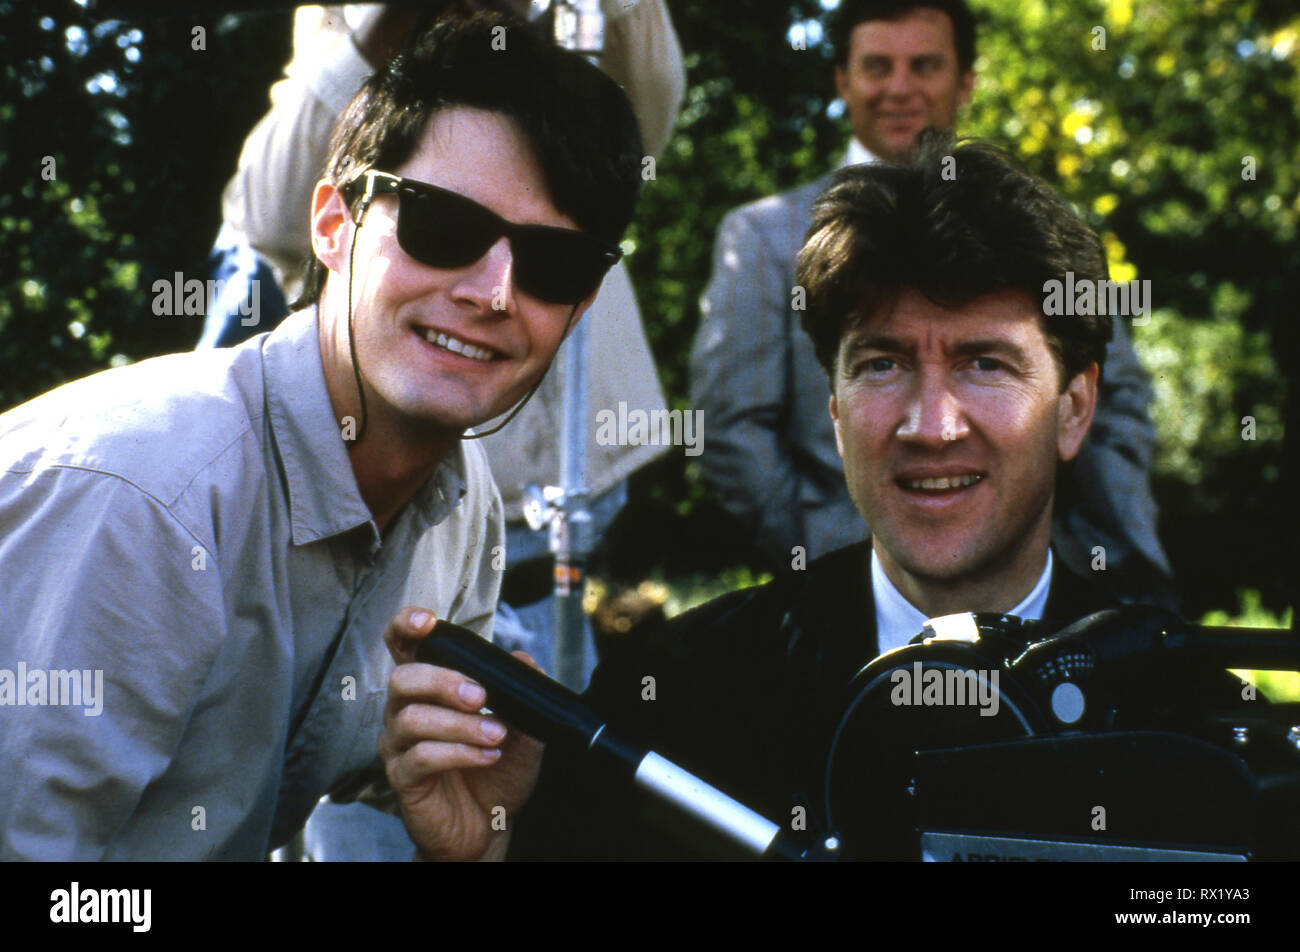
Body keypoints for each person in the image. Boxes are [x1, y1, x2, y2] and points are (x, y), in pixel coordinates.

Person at [379, 133, 1135, 861]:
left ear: (1073, 409)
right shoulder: (669, 703)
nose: (930, 427)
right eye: (882, 364)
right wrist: (485, 855)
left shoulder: (1174, 708)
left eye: (984, 365)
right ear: (835, 409)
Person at [0, 12, 643, 860]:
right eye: (443, 227)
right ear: (334, 227)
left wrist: (477, 840)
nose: (494, 290)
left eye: (553, 263)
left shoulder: (464, 504)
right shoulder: (147, 503)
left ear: (583, 305)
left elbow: (385, 776)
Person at [691, 0, 1175, 607]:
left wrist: (1090, 556)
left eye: (924, 65)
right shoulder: (764, 237)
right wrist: (840, 561)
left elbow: (1116, 402)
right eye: (876, 66)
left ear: (965, 80)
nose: (899, 88)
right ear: (843, 80)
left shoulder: (1045, 232)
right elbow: (732, 428)